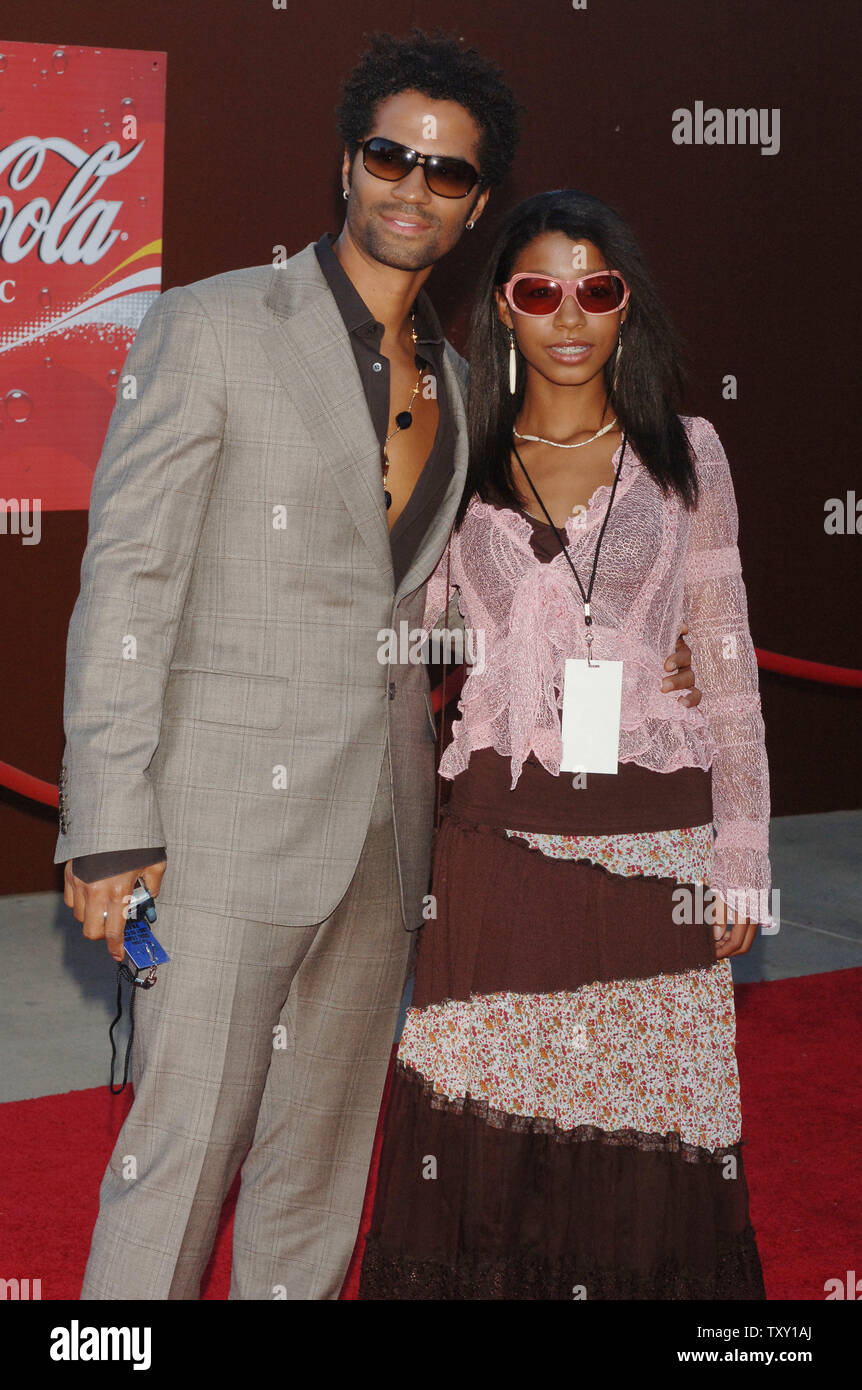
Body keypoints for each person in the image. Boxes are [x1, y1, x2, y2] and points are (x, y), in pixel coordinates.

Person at [56, 32, 699, 1301]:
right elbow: (127, 585)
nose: (414, 186)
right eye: (391, 156)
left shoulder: (464, 388)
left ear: (471, 209)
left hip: (388, 828)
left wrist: (633, 654)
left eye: (448, 174)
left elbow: (443, 612)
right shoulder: (211, 326)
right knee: (176, 1155)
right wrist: (106, 821)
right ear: (349, 164)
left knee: (323, 1154)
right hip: (221, 827)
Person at [358, 189, 772, 1300]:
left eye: (597, 288)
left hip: (655, 847)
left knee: (650, 1112)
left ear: (626, 304)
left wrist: (744, 852)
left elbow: (725, 659)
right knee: (484, 1111)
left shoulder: (688, 454)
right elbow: (411, 626)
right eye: (539, 290)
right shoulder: (462, 457)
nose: (570, 314)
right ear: (505, 309)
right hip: (496, 847)